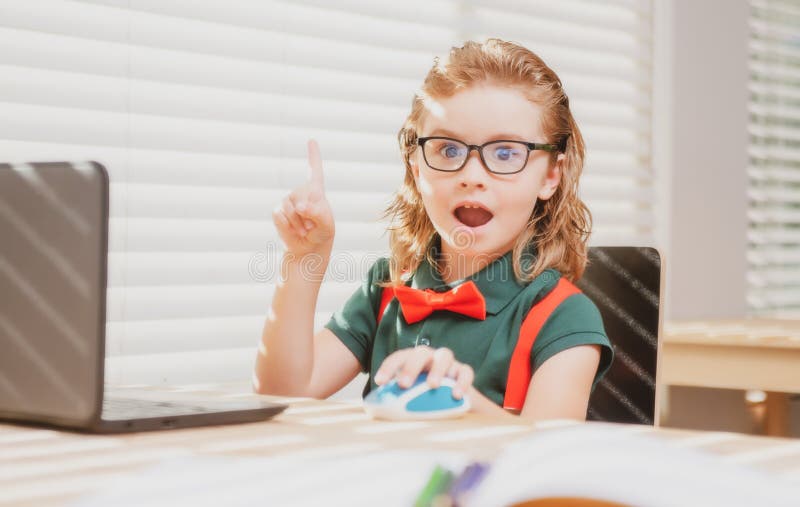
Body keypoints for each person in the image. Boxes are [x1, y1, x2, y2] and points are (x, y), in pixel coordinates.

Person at [254, 39, 613, 421]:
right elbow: (283, 394)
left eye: (506, 153)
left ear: (550, 175)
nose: (471, 176)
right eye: (448, 150)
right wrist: (304, 256)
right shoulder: (388, 287)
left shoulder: (566, 316)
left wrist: (462, 402)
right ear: (416, 167)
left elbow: (547, 457)